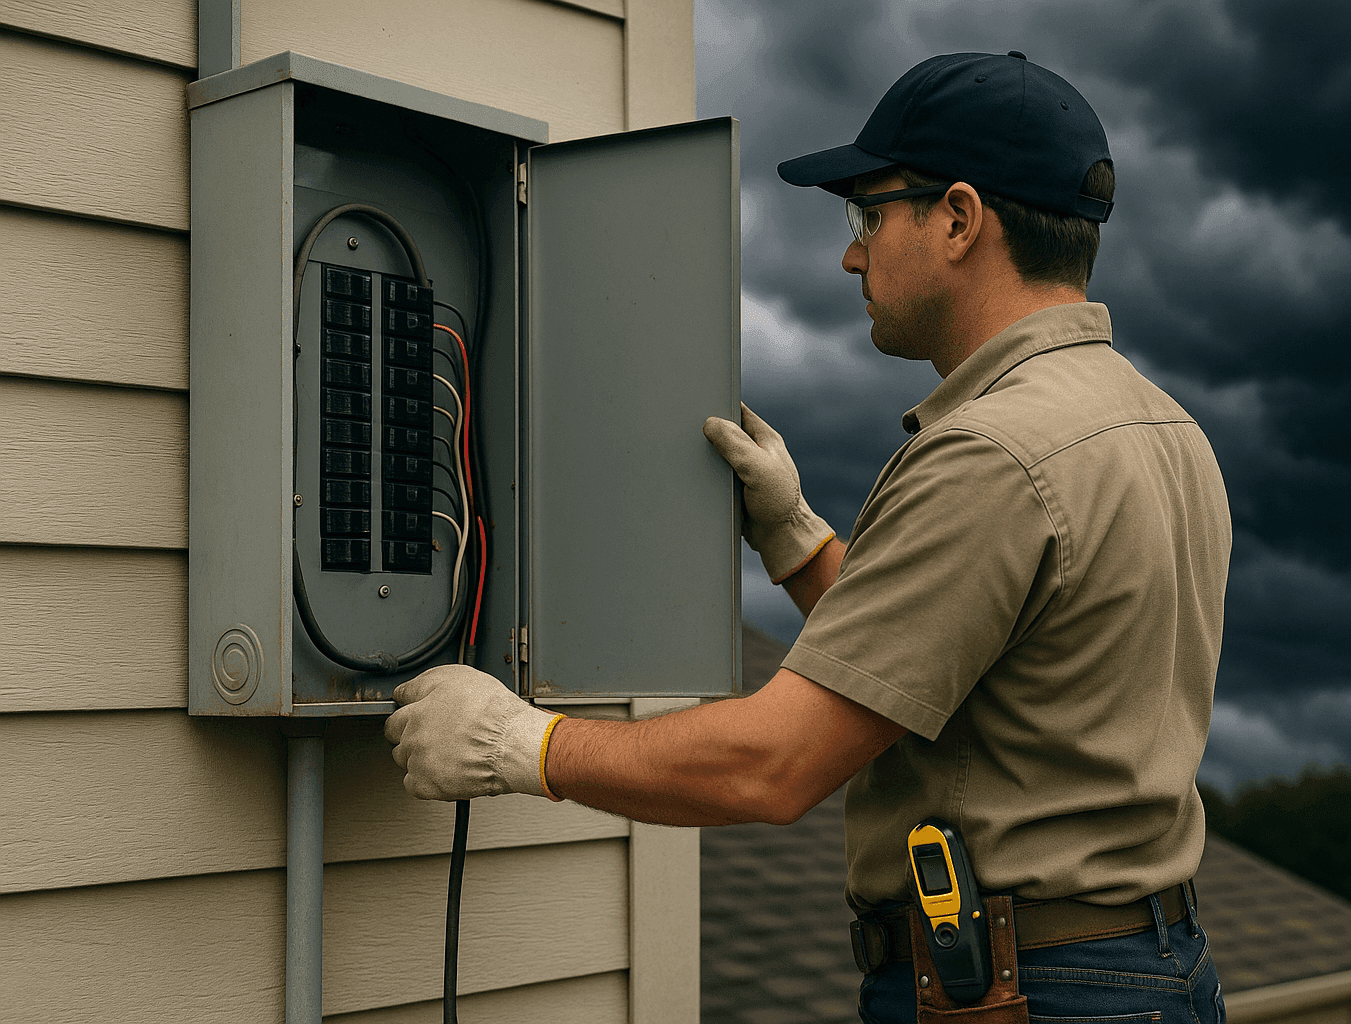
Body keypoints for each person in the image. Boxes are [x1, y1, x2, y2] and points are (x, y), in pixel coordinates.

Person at [386, 51, 1231, 1024]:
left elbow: (777, 763)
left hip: (1025, 991)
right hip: (1149, 968)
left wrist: (517, 743)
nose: (851, 254)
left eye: (868, 214)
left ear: (958, 218)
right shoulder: (1163, 428)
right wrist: (795, 537)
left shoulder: (990, 454)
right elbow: (943, 673)